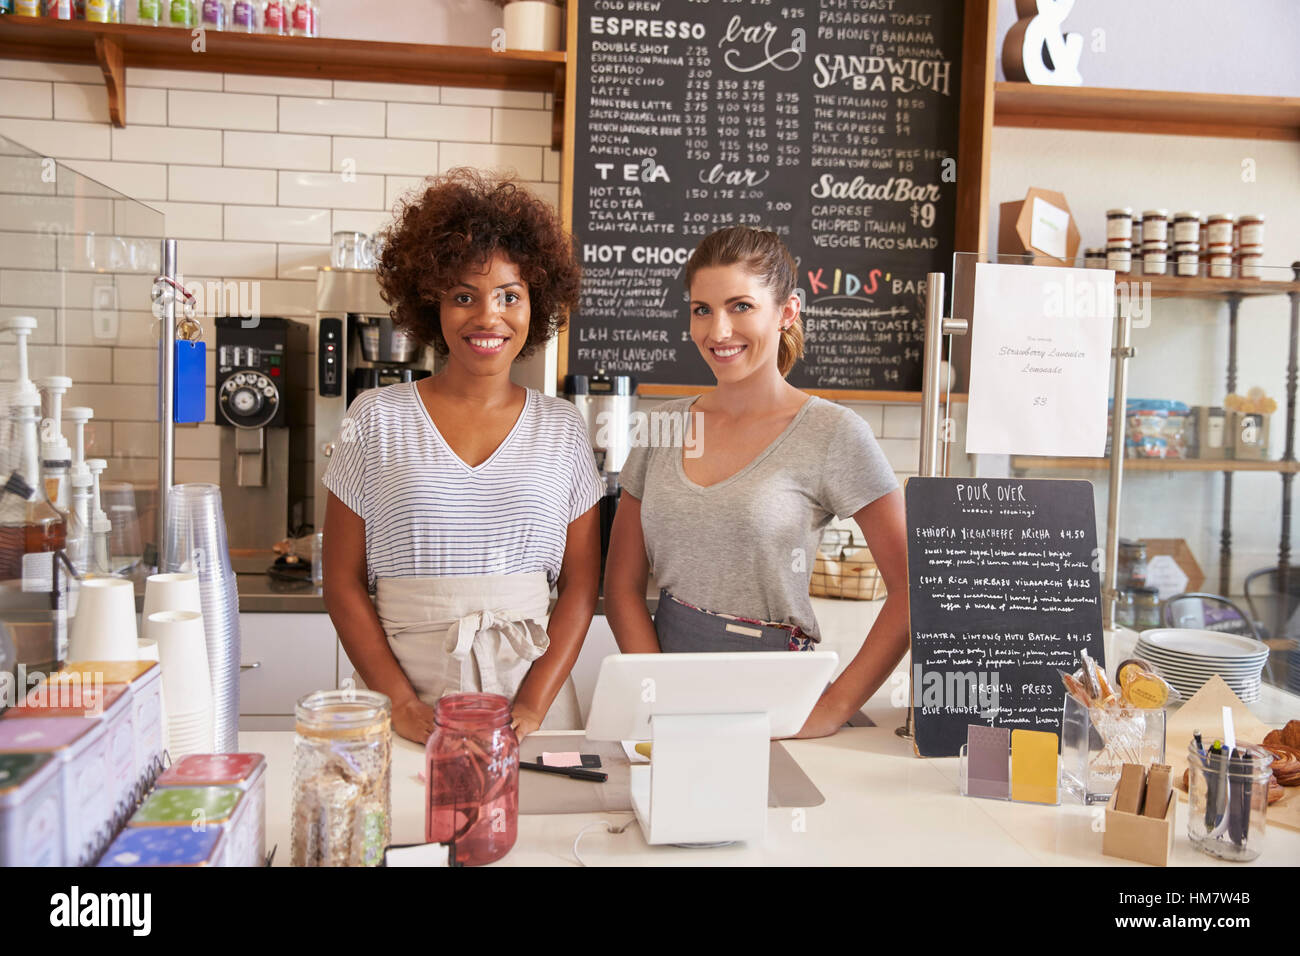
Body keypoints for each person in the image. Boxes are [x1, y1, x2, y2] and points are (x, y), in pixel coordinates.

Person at [322, 169, 603, 744]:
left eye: (510, 296)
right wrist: (399, 702)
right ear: (432, 305)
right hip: (402, 697)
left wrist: (532, 705)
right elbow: (341, 579)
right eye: (463, 296)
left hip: (533, 704)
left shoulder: (563, 427)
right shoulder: (373, 418)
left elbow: (580, 584)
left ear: (537, 304)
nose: (487, 317)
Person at [604, 225, 909, 738]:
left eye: (740, 306)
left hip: (777, 697)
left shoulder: (833, 433)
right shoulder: (663, 426)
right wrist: (659, 692)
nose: (718, 331)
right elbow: (621, 587)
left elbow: (910, 589)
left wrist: (833, 707)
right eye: (702, 309)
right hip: (667, 693)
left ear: (787, 311)